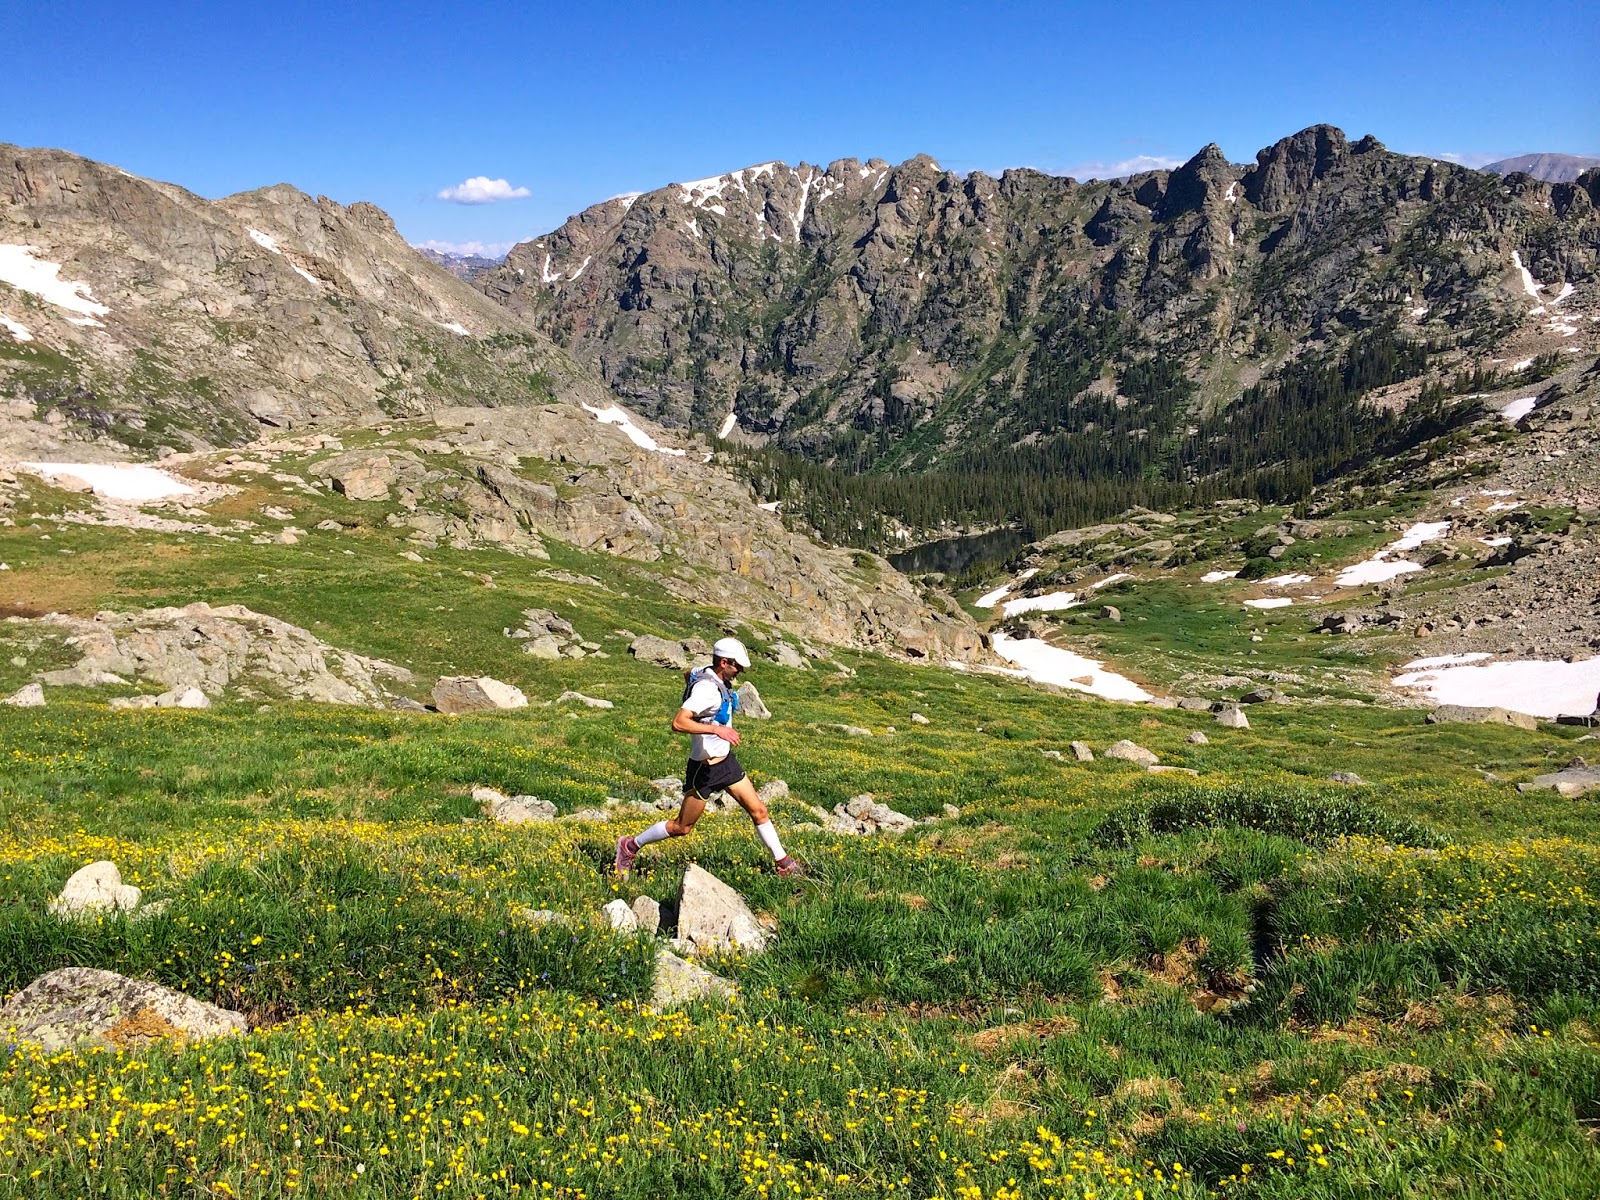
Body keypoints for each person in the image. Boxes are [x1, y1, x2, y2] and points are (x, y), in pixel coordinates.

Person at [615, 636, 804, 877]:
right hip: (704, 771)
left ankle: (784, 864)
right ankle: (629, 846)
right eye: (737, 667)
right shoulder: (707, 691)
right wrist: (716, 729)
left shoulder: (704, 671)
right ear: (724, 662)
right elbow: (678, 722)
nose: (740, 672)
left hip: (725, 762)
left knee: (759, 811)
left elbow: (688, 674)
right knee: (682, 827)